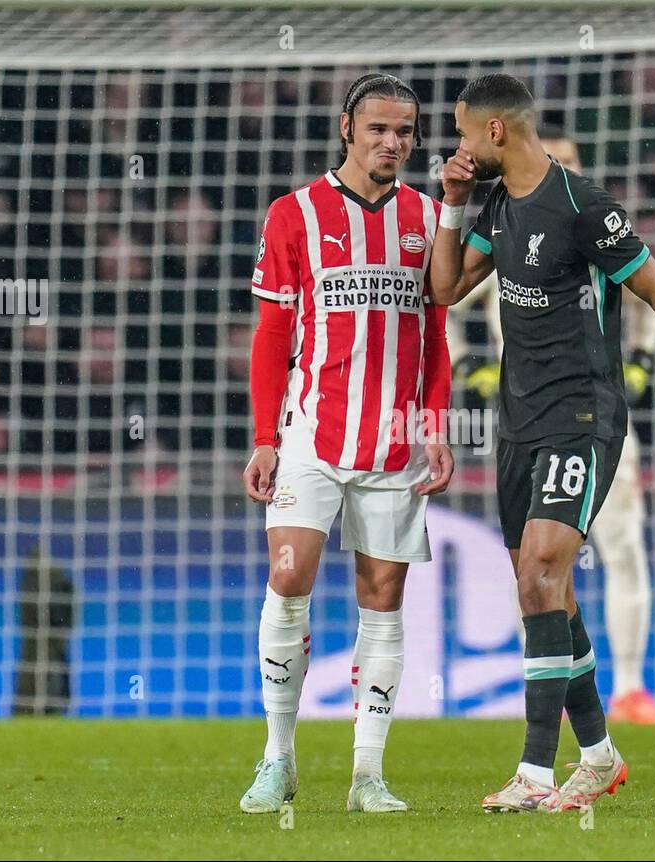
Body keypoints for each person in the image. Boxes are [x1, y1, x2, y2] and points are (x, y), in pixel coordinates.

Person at [430, 74, 655, 813]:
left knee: (545, 569)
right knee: (541, 588)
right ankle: (601, 755)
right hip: (518, 421)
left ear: (497, 133)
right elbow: (445, 290)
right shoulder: (499, 204)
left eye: (463, 133)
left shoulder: (583, 206)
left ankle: (535, 771)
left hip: (583, 415)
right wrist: (450, 206)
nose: (458, 146)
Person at [241, 73, 455, 814]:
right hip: (310, 432)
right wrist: (265, 437)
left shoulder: (428, 219)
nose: (393, 142)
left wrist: (434, 421)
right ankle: (278, 757)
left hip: (394, 441)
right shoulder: (293, 213)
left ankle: (368, 774)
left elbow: (435, 337)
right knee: (289, 574)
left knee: (382, 598)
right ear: (347, 129)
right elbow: (271, 335)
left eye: (405, 131)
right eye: (379, 130)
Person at [445, 128, 655, 724]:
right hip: (524, 418)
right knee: (539, 569)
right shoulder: (510, 236)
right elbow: (445, 302)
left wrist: (641, 363)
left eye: (570, 160)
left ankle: (629, 689)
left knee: (622, 549)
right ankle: (578, 722)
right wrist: (472, 366)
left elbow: (652, 296)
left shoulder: (586, 226)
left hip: (591, 415)